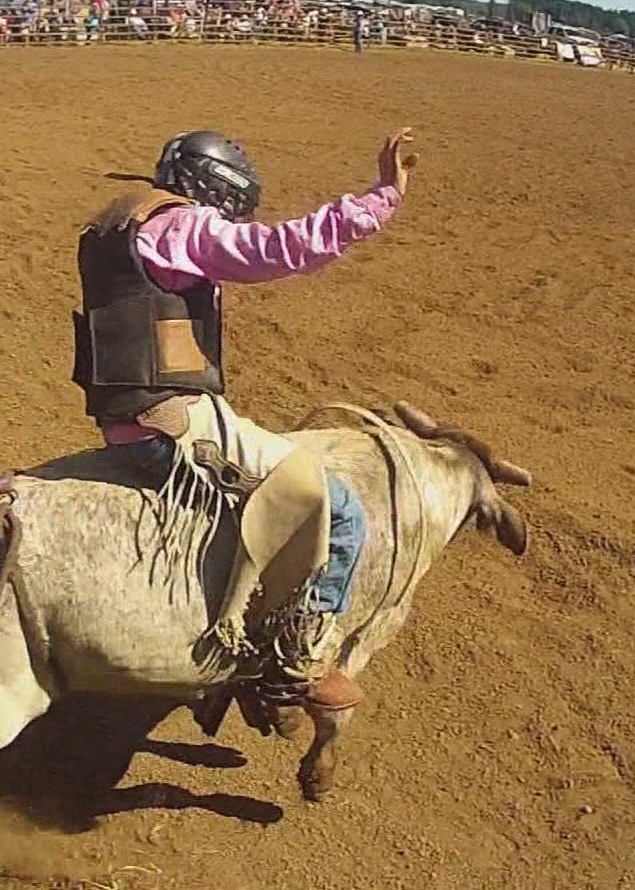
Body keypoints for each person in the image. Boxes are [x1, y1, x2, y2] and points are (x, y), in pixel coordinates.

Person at [71, 128, 415, 711]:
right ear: (214, 193)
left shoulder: (119, 220)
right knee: (341, 511)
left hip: (123, 415)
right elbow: (278, 249)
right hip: (170, 422)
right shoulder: (183, 227)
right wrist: (381, 197)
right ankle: (297, 660)